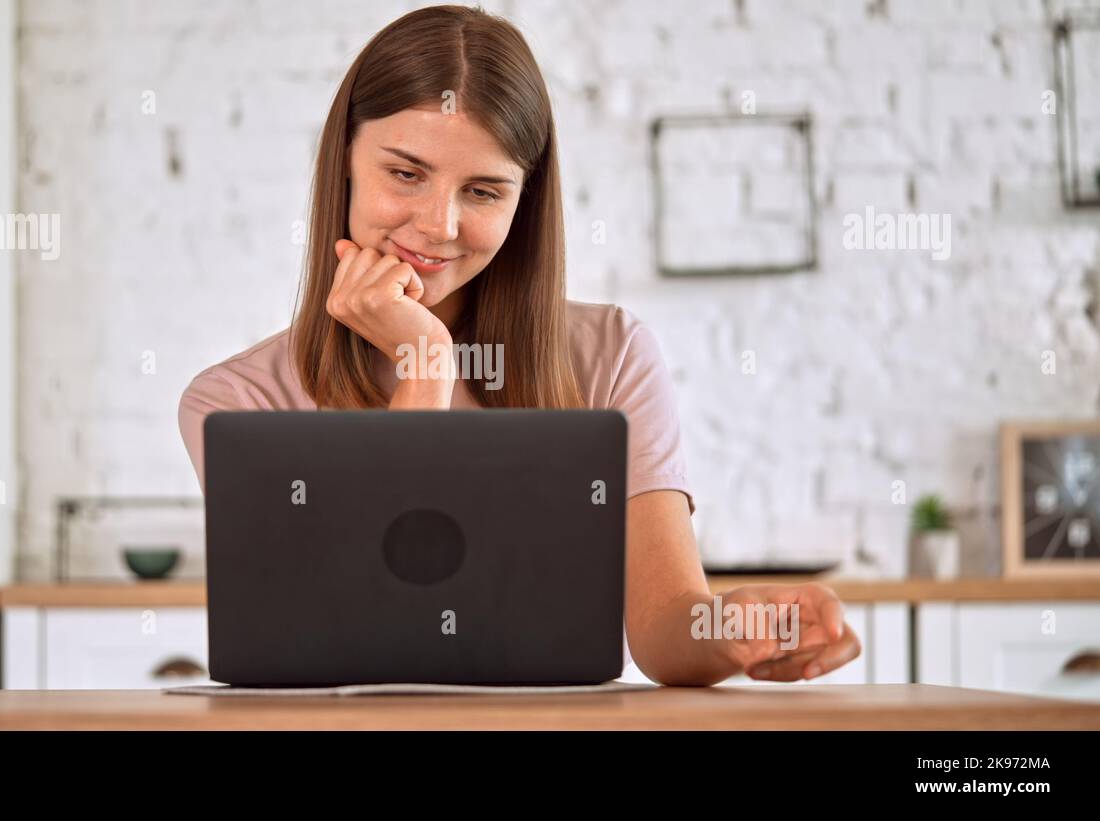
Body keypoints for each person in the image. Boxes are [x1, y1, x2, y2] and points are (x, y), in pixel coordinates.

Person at [179, 5, 860, 686]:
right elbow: (356, 633)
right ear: (346, 163)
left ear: (522, 203)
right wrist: (425, 369)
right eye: (407, 173)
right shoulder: (235, 401)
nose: (438, 225)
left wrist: (730, 624)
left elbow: (661, 629)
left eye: (482, 190)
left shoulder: (612, 354)